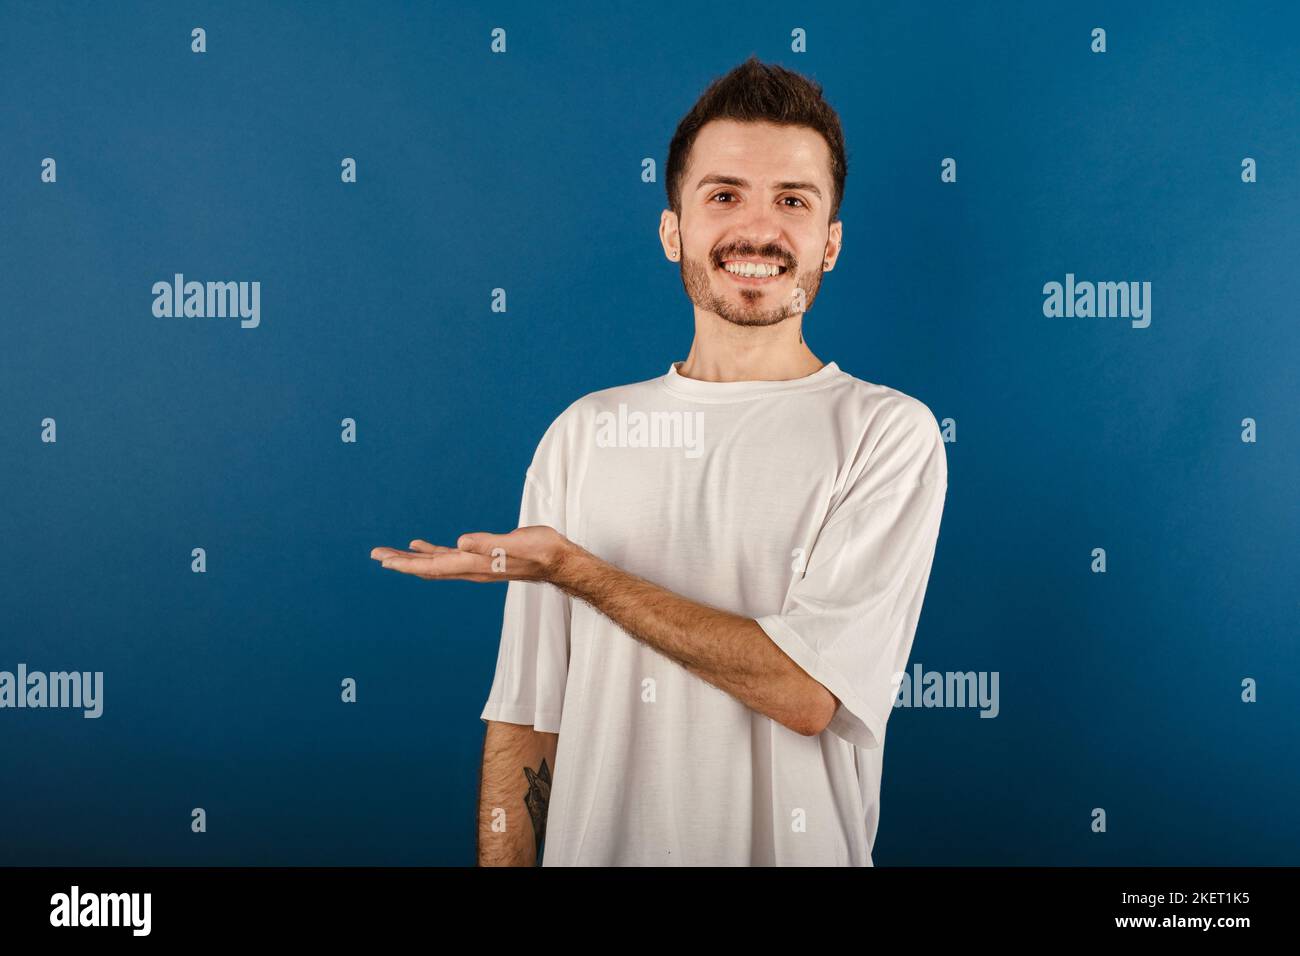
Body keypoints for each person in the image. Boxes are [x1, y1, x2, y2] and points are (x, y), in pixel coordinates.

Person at [371, 55, 948, 866]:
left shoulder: (887, 434)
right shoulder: (582, 434)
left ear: (831, 241)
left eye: (792, 200)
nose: (758, 229)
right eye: (723, 196)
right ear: (672, 229)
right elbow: (529, 720)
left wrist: (579, 571)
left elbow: (806, 692)